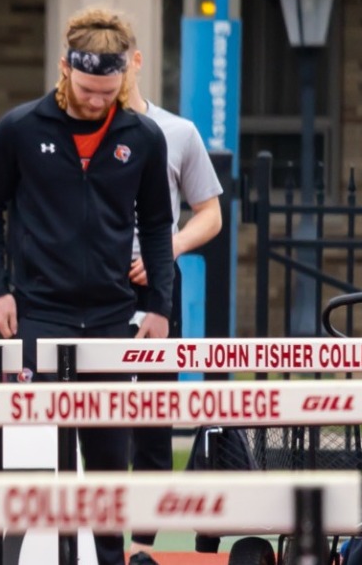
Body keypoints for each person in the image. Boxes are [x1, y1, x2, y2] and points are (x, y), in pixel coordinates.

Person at [0, 7, 175, 565]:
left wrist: (159, 304)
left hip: (111, 316)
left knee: (108, 454)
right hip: (39, 312)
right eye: (87, 89)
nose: (96, 101)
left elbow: (158, 224)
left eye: (108, 91)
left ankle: (108, 557)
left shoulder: (143, 136)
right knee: (35, 448)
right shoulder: (20, 128)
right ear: (65, 69)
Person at [122, 35, 223, 565]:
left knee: (152, 418)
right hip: (85, 287)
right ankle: (89, 542)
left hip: (155, 285)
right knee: (88, 411)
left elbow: (211, 213)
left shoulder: (177, 131)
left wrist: (169, 248)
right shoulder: (71, 132)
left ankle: (141, 547)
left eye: (119, 61)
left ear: (137, 61)